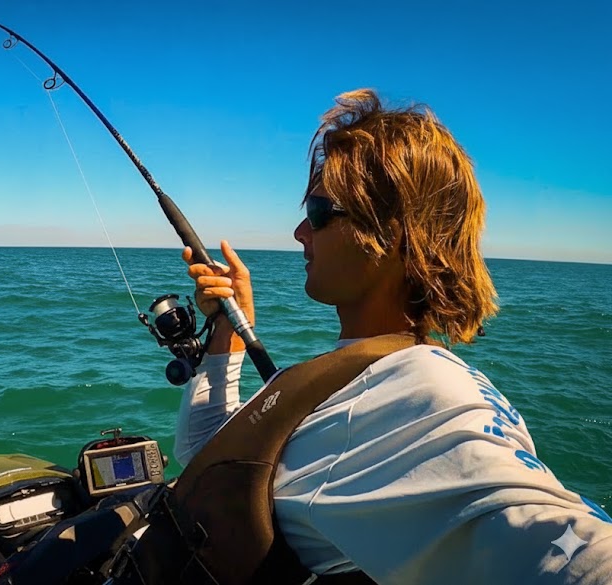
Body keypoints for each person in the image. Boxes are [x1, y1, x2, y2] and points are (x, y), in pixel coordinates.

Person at [176, 89, 612, 584]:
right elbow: (207, 460)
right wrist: (230, 329)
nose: (300, 231)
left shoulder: (427, 396)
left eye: (319, 211)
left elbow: (558, 543)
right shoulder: (372, 377)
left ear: (391, 234)